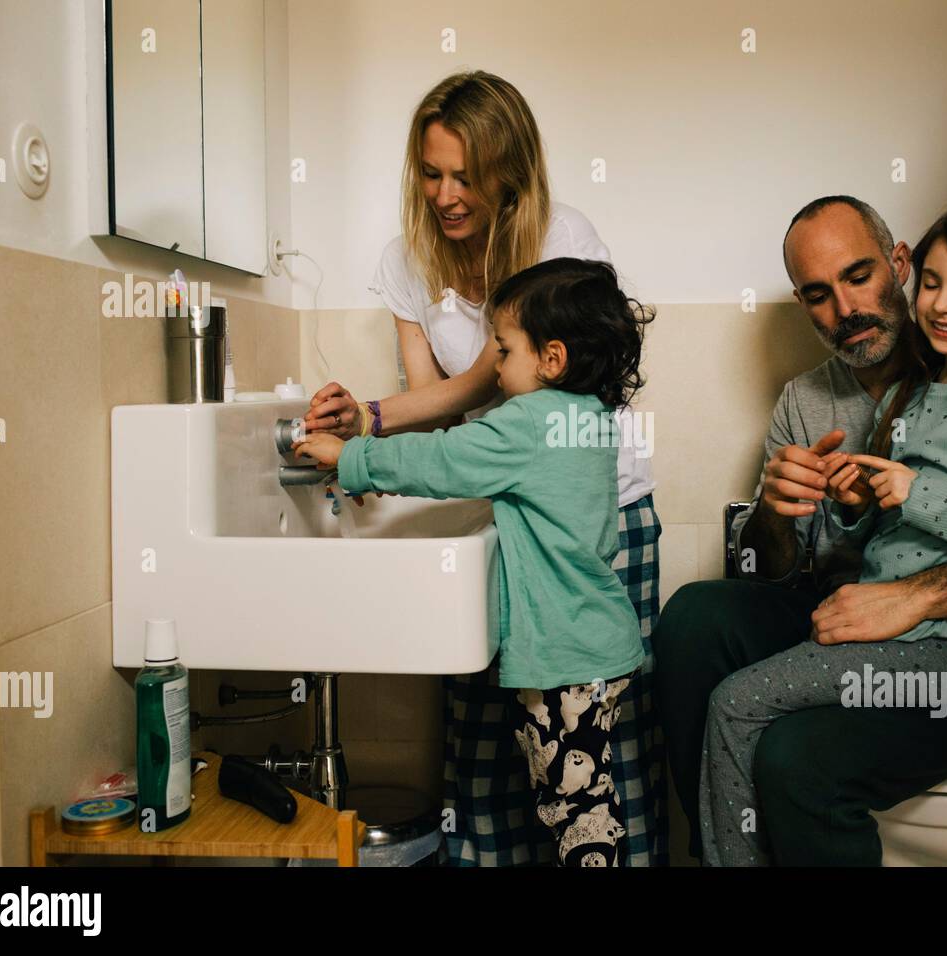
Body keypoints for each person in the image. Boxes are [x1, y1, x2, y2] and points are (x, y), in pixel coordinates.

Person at [300, 72, 665, 866]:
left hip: (577, 510)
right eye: (431, 173)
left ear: (509, 170)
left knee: (588, 773)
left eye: (465, 175)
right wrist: (363, 419)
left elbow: (475, 407)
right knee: (527, 753)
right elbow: (429, 401)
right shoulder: (411, 259)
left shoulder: (561, 240)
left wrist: (359, 453)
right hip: (509, 508)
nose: (445, 193)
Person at [654, 194, 947, 865]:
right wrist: (775, 513)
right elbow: (776, 572)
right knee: (692, 617)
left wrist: (917, 598)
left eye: (858, 277)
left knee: (791, 759)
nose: (845, 309)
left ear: (898, 264)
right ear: (802, 303)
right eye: (819, 294)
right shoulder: (807, 400)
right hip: (840, 621)